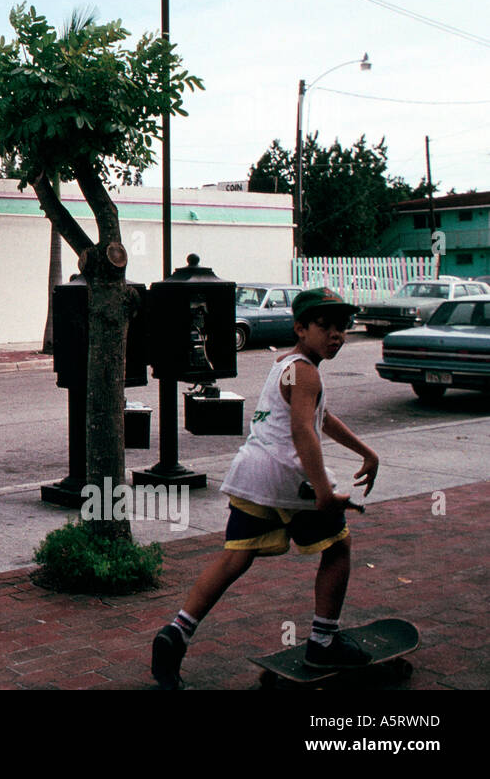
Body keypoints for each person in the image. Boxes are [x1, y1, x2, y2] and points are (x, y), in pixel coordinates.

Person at [151, 287, 381, 689]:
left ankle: (176, 634)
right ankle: (322, 641)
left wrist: (365, 451)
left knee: (234, 559)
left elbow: (319, 419)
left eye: (342, 327)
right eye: (324, 326)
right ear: (300, 328)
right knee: (338, 547)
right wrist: (324, 492)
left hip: (253, 473)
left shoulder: (287, 364)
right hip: (288, 480)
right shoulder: (306, 372)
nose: (336, 335)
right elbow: (302, 434)